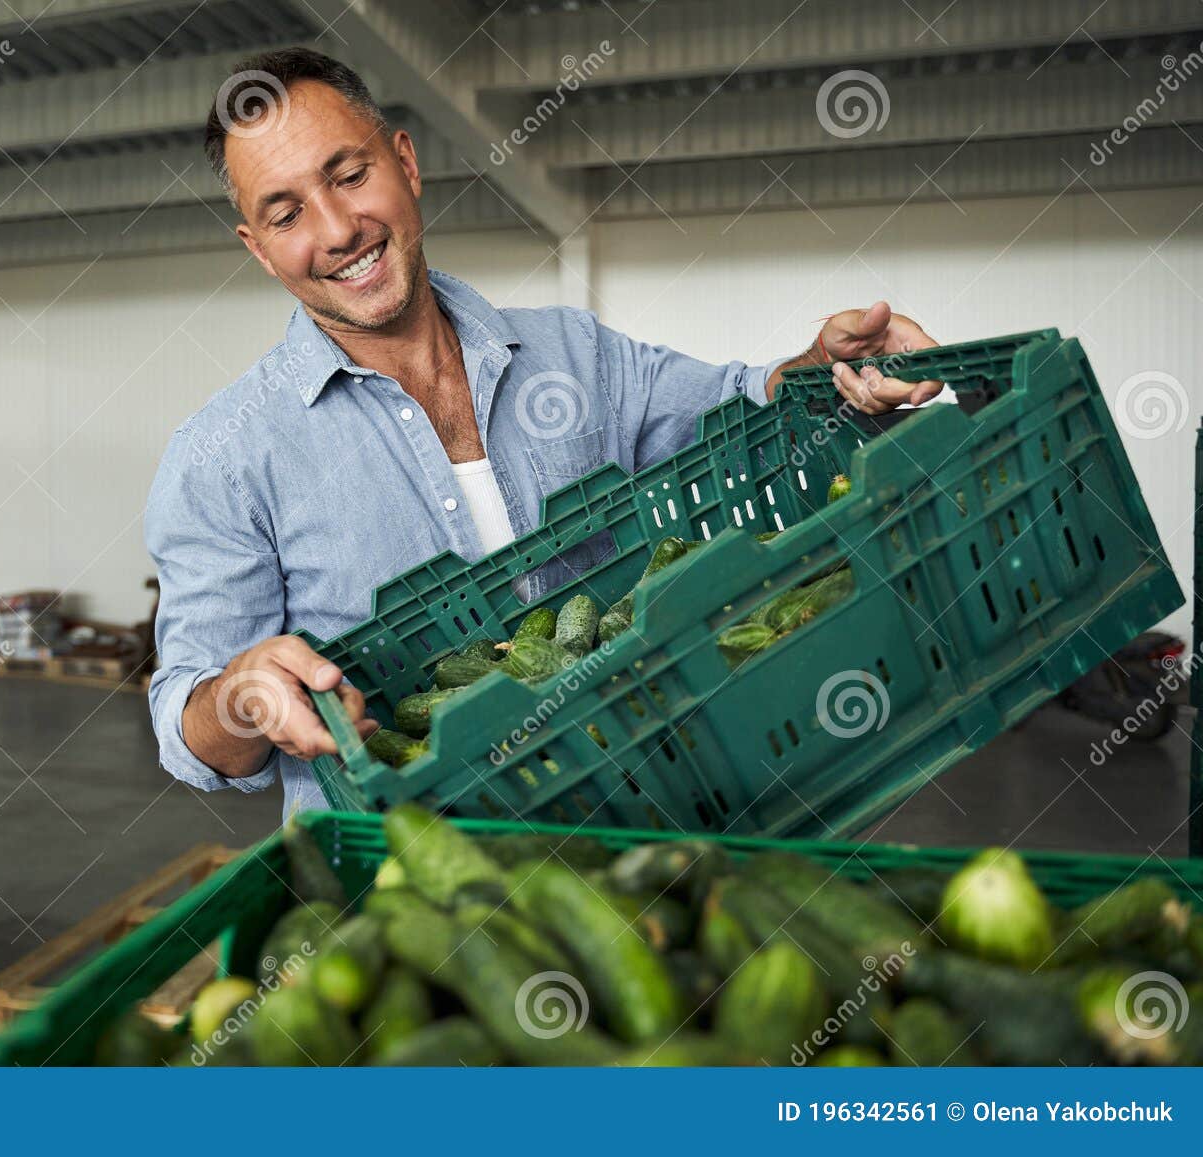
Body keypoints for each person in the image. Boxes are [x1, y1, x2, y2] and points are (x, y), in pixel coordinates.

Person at [144, 48, 940, 817]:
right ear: (259, 248)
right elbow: (191, 727)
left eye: (350, 176)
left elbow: (747, 410)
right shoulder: (226, 459)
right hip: (409, 887)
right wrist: (240, 696)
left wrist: (833, 367)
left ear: (406, 163)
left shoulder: (575, 354)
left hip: (645, 829)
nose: (338, 228)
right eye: (286, 214)